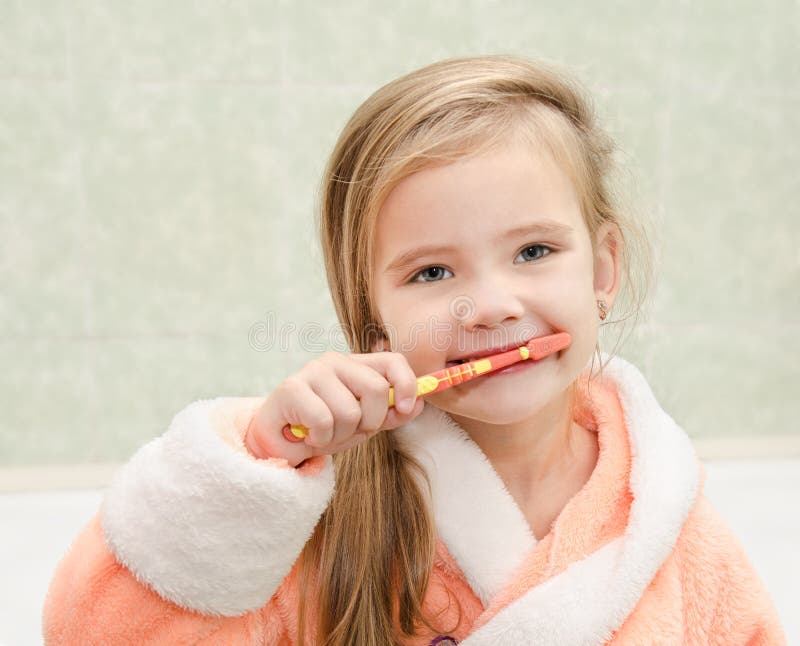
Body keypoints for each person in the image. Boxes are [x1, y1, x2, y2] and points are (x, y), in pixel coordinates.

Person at [42, 55, 786, 645]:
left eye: (534, 250)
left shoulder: (661, 514)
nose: (492, 303)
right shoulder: (311, 500)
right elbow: (92, 634)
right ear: (377, 319)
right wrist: (255, 468)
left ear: (601, 270)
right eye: (432, 272)